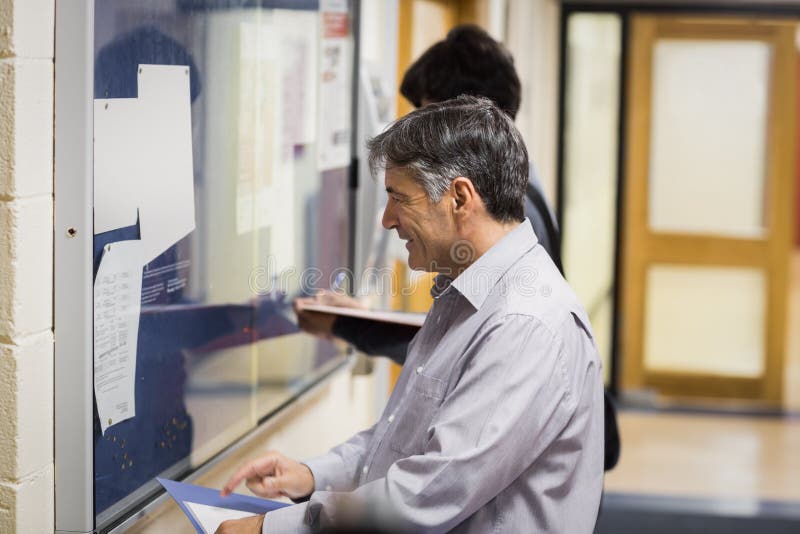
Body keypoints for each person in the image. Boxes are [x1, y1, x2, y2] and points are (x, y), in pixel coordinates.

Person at [217, 96, 604, 533]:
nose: (386, 220)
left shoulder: (524, 324)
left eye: (399, 198)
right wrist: (313, 476)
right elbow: (402, 439)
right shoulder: (465, 295)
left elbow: (429, 492)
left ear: (460, 197)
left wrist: (275, 529)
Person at [295, 24, 620, 472]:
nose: (417, 131)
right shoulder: (517, 188)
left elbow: (478, 351)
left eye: (429, 118)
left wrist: (350, 326)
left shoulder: (508, 224)